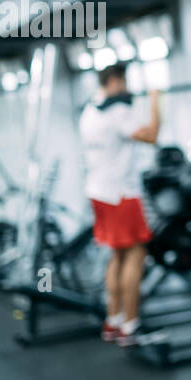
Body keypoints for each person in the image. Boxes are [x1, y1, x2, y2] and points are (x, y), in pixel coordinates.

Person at [78, 63, 160, 345]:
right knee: (135, 255)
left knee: (117, 255)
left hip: (98, 191)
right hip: (121, 193)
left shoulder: (90, 111)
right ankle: (130, 325)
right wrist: (155, 101)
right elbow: (151, 136)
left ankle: (113, 321)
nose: (126, 88)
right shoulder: (118, 111)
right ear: (114, 81)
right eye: (123, 82)